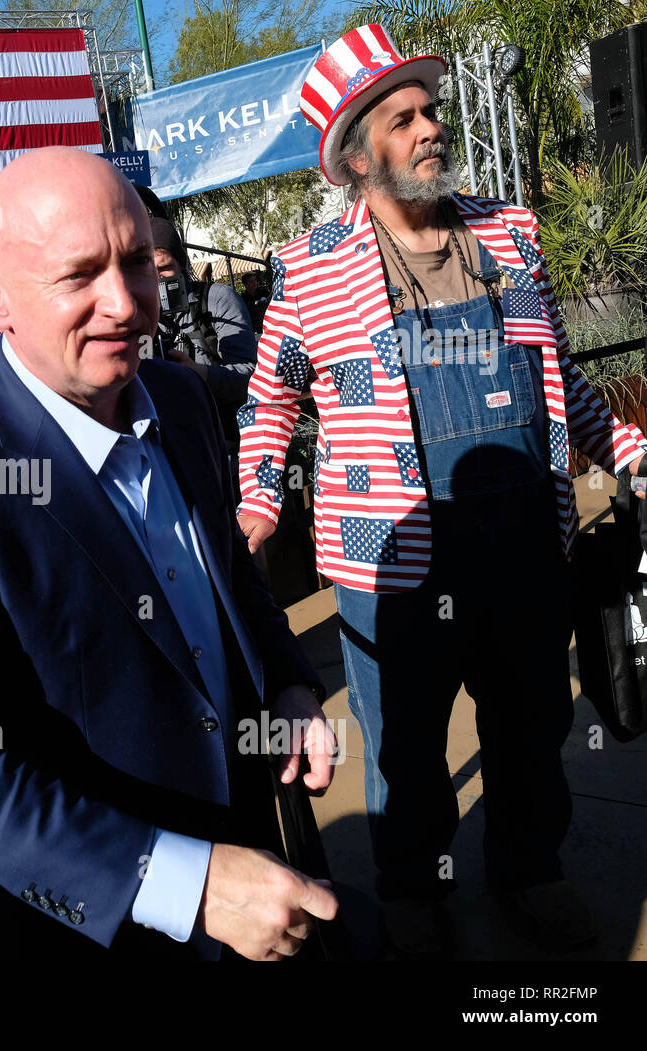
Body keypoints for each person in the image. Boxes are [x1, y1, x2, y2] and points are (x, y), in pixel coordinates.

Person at [0, 148, 339, 961]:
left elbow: (228, 570)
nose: (126, 303)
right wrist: (188, 882)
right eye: (80, 275)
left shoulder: (182, 400)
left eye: (137, 261)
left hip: (258, 863)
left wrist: (287, 681)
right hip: (86, 927)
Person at [235, 25, 647, 957]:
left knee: (534, 728)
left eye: (432, 109)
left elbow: (563, 382)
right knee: (407, 751)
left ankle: (530, 872)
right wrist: (257, 503)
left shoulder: (508, 234)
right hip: (391, 561)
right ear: (354, 152)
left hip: (526, 543)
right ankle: (413, 892)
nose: (430, 127)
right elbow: (269, 403)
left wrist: (628, 453)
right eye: (403, 116)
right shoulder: (307, 269)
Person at [149, 217, 257, 450]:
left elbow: (253, 377)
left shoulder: (217, 299)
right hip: (170, 444)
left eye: (164, 268)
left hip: (224, 440)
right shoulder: (140, 314)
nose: (156, 280)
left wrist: (202, 374)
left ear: (182, 265)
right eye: (147, 272)